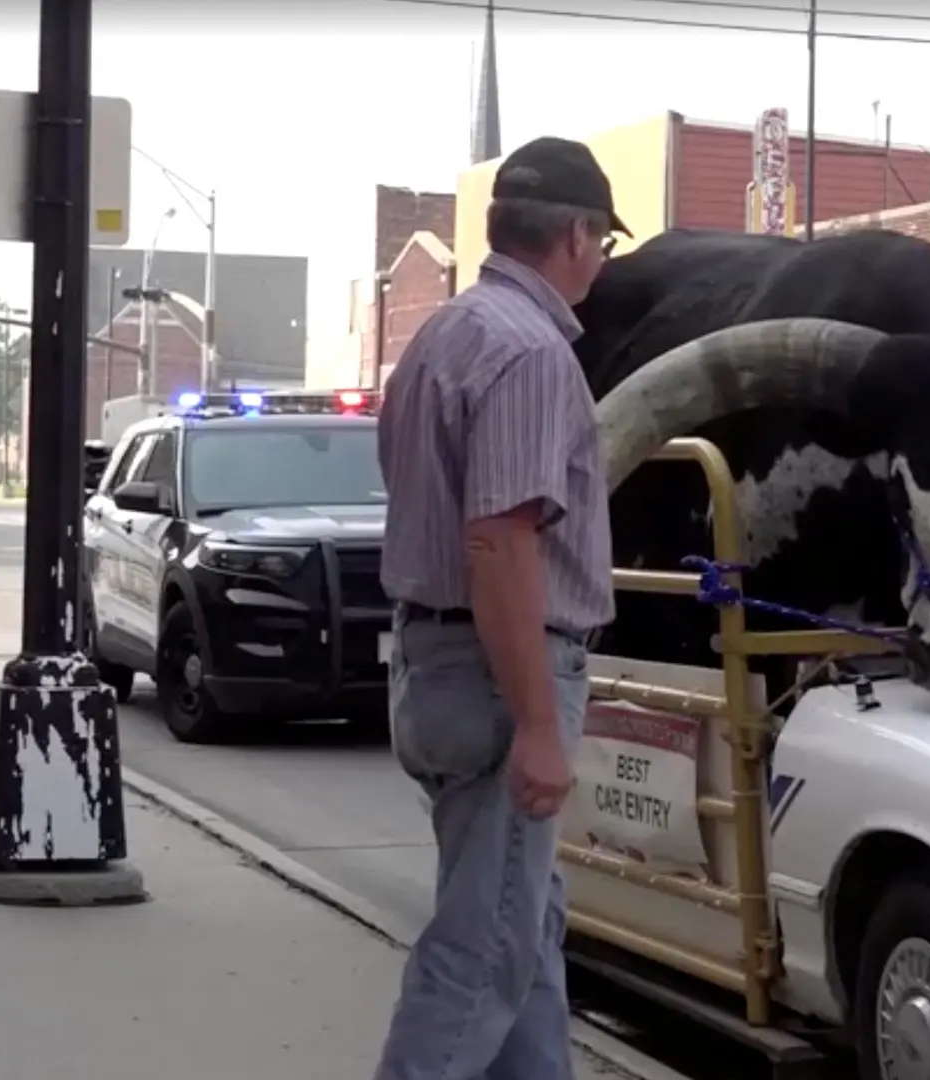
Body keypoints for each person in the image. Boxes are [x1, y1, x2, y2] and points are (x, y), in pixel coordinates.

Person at [372, 137, 627, 1079]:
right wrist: (536, 723)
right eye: (601, 241)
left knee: (525, 925)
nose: (600, 261)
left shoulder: (445, 334)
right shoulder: (532, 354)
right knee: (481, 954)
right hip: (499, 676)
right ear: (576, 232)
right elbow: (499, 541)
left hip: (435, 666)